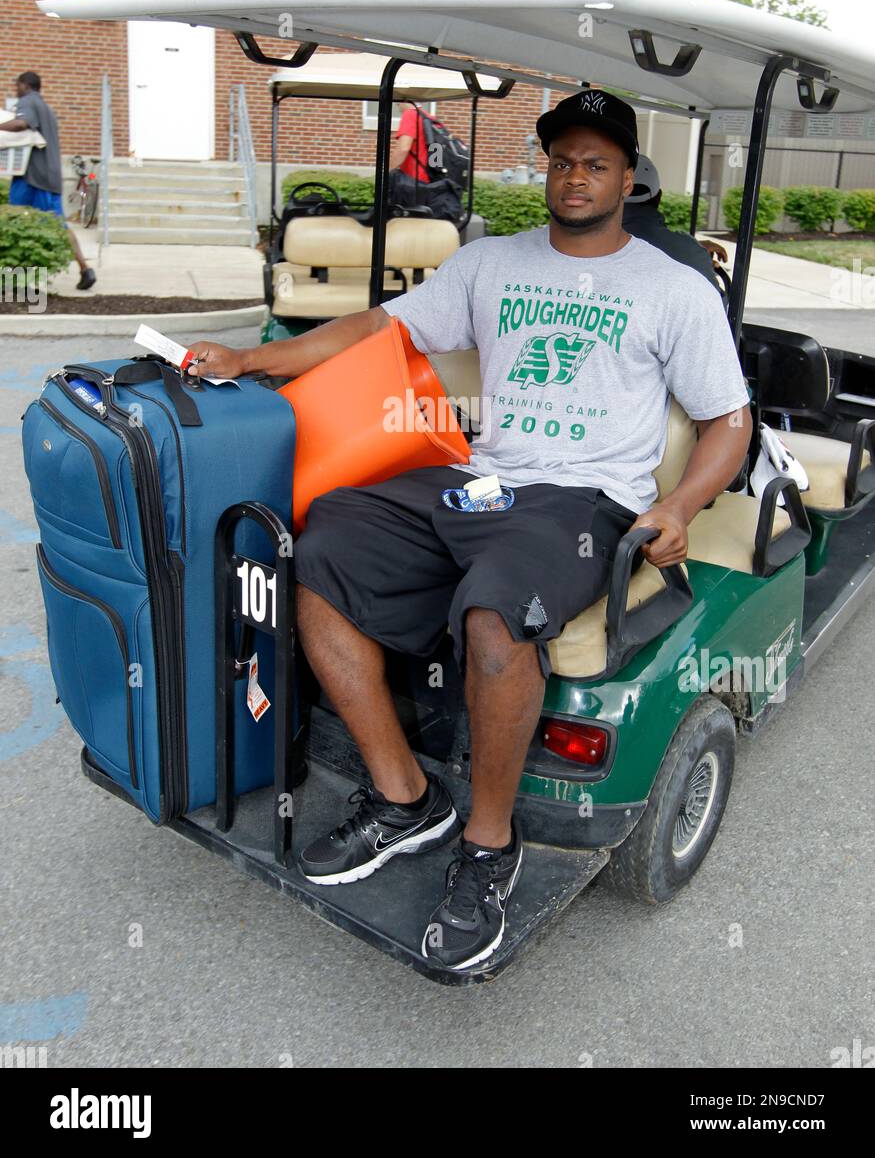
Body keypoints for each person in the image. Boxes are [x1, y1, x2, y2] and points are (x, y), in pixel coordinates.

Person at [185, 89, 752, 972]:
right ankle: (405, 797)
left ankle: (488, 846)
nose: (575, 175)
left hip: (582, 498)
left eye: (595, 163)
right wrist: (253, 358)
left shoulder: (673, 289)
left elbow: (728, 421)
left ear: (628, 178)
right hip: (482, 480)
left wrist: (674, 508)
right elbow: (380, 325)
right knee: (323, 537)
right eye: (562, 159)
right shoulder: (491, 262)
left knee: (494, 614)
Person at [0, 72, 96, 290]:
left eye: (17, 85)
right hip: (50, 176)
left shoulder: (28, 101)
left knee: (16, 221)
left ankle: (19, 281)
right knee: (59, 225)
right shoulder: (47, 109)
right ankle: (85, 269)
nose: (16, 89)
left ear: (25, 85)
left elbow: (20, 124)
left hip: (32, 177)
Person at [623, 154, 721, 289]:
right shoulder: (689, 251)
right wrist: (695, 249)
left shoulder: (588, 243)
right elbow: (717, 304)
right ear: (658, 197)